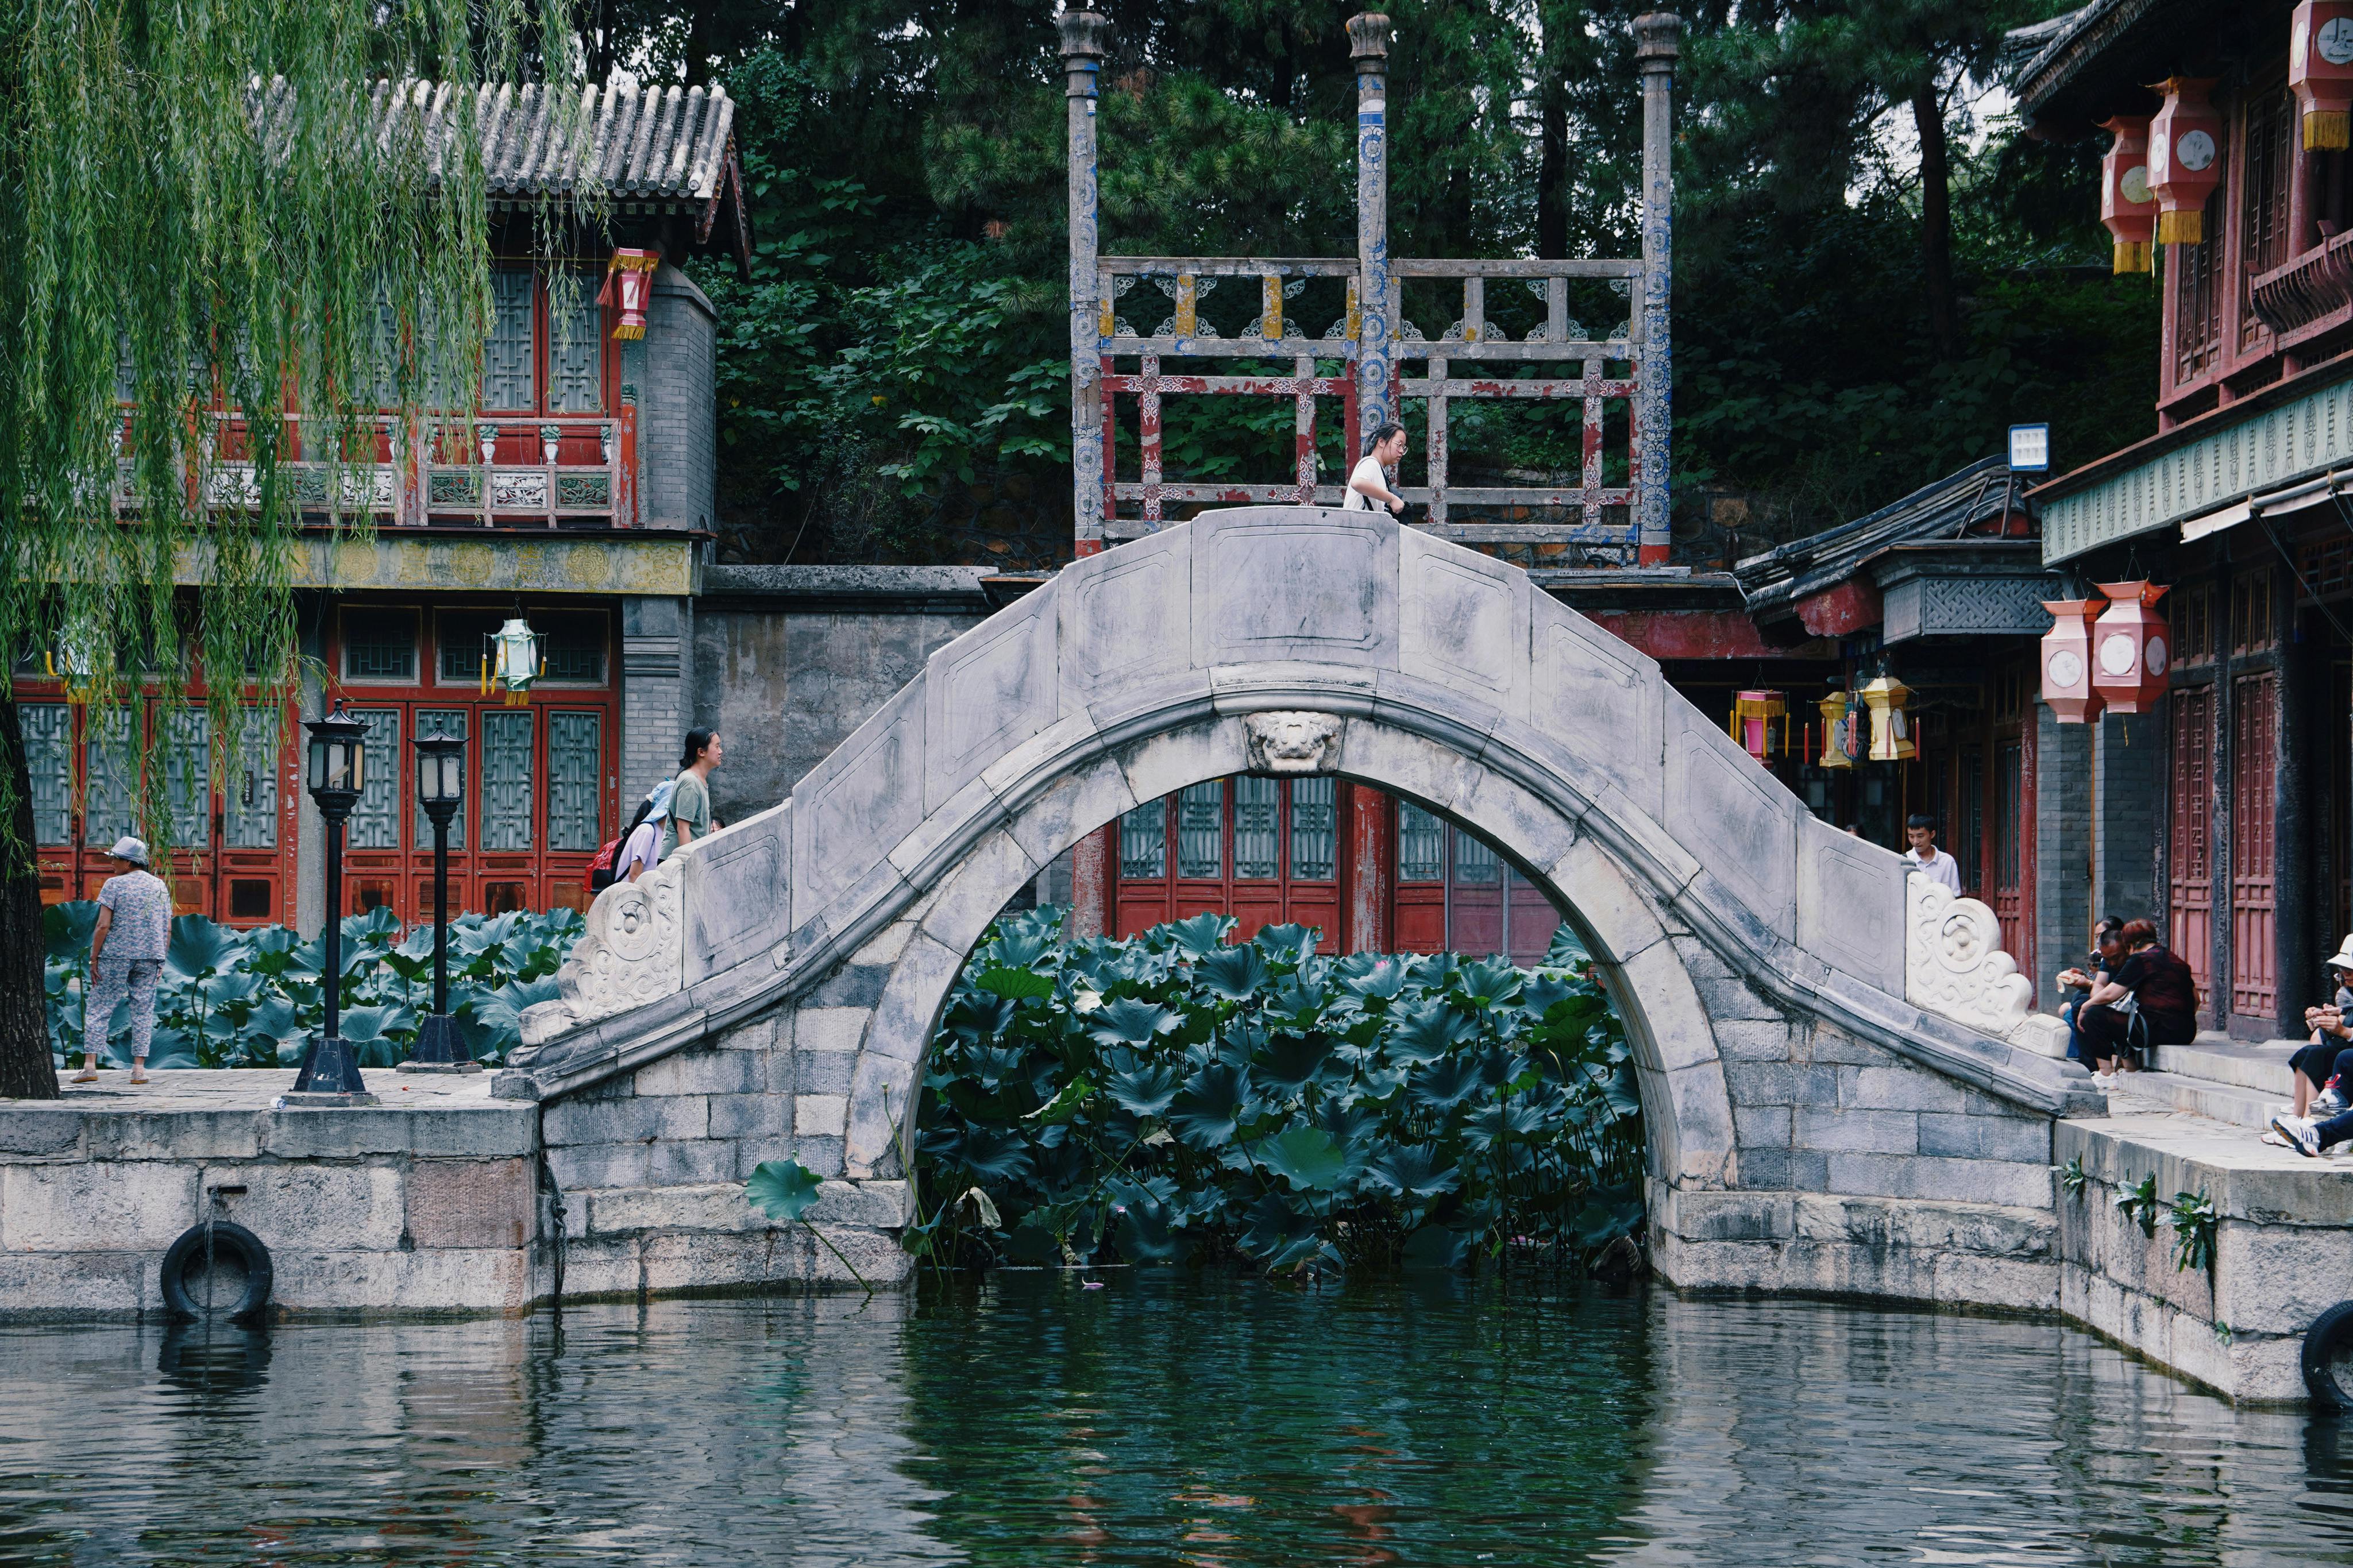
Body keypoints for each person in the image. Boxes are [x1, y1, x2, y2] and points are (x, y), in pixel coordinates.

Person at [69, 837, 171, 1086]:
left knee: (99, 1008)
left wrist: (94, 959)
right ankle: (138, 1070)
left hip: (115, 955)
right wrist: (162, 958)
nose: (112, 863)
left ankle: (90, 1066)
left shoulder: (114, 885)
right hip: (151, 955)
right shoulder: (160, 887)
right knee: (143, 1010)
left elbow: (103, 925)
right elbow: (167, 927)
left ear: (128, 862)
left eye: (114, 859)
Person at [2077, 918, 2198, 1082]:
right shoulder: (2177, 960)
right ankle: (2129, 1068)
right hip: (2187, 1032)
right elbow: (2196, 1000)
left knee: (2095, 1015)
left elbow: (2110, 994)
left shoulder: (2141, 959)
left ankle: (2105, 1075)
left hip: (2157, 1030)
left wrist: (2086, 1007)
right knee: (2128, 1018)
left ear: (2131, 944)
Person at [2287, 935, 2353, 1117]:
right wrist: (2325, 1018)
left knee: (2318, 1056)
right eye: (2344, 969)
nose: (2346, 975)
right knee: (2308, 1052)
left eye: (2351, 970)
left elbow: (2345, 1029)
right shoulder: (2347, 994)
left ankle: (2310, 1120)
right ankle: (2296, 1116)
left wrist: (2343, 1031)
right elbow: (2345, 1016)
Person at [2055, 917, 2127, 1064]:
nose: (2099, 940)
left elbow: (2114, 989)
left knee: (2080, 1008)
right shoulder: (2105, 956)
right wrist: (2085, 979)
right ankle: (2081, 1059)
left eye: (2102, 935)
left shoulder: (2127, 957)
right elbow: (2099, 983)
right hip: (2105, 1000)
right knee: (2077, 1004)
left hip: (2122, 1004)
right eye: (2097, 937)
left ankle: (2092, 1064)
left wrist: (2089, 990)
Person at [657, 729, 721, 860]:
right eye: (717, 746)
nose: (721, 752)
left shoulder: (699, 780)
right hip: (677, 864)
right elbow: (683, 828)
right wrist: (689, 865)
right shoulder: (690, 782)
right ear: (701, 752)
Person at [1343, 423, 1407, 515]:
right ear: (1381, 442)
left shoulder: (1379, 469)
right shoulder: (1371, 463)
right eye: (1399, 444)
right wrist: (1392, 499)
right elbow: (1357, 483)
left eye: (1403, 447)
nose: (1401, 451)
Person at [1901, 814, 1964, 895]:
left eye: (1920, 836)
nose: (1916, 841)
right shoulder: (1904, 861)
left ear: (1932, 834)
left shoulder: (1947, 861)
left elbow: (1955, 895)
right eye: (1911, 837)